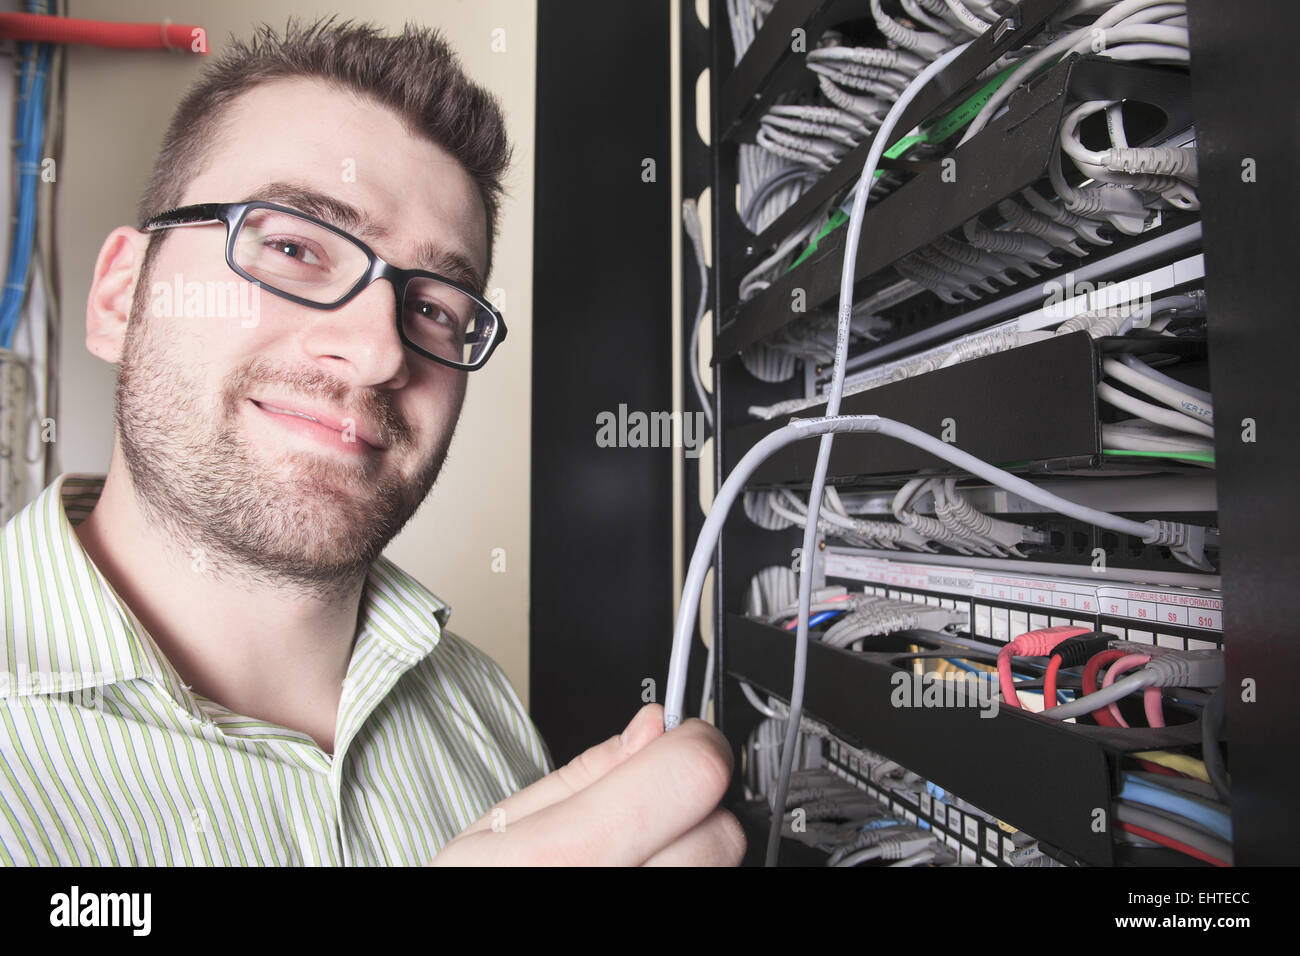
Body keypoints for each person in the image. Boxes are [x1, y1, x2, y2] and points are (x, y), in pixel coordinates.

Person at [0, 18, 743, 867]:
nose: (379, 351)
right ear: (121, 298)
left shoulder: (481, 703)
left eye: (432, 308)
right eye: (293, 247)